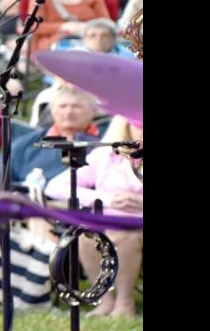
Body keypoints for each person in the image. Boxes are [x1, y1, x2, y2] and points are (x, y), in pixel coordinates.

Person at [44, 112, 139, 316]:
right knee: (87, 238)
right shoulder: (107, 156)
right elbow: (55, 186)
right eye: (138, 125)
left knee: (125, 237)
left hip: (137, 223)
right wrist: (108, 199)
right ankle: (104, 300)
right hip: (109, 217)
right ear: (126, 128)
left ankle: (124, 302)